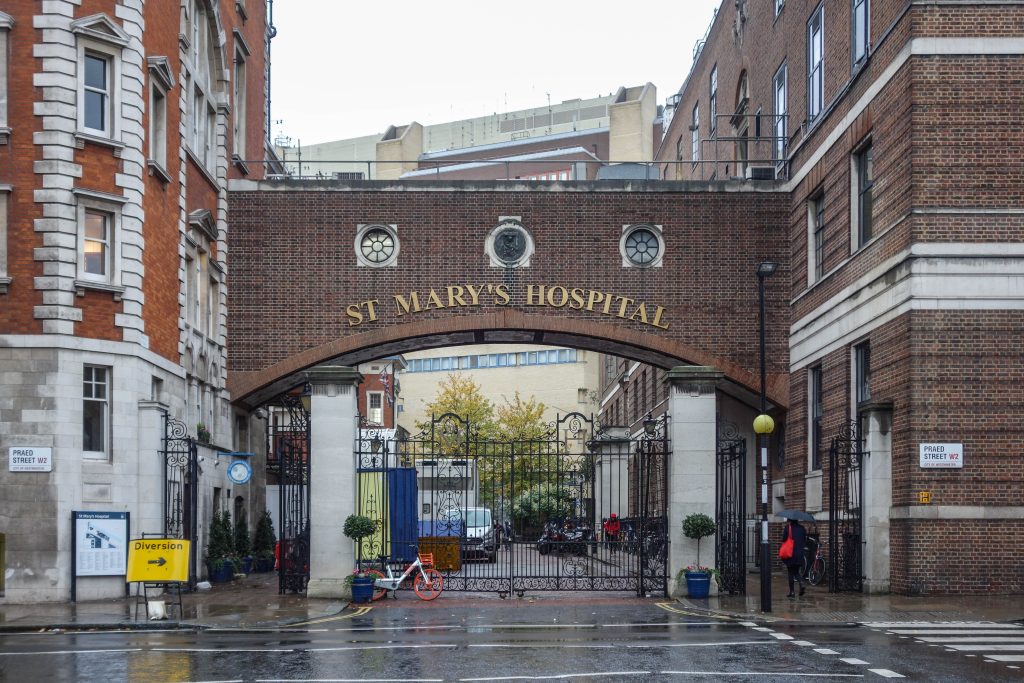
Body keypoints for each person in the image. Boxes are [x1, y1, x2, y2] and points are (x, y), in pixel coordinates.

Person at [781, 519, 808, 598]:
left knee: (791, 572)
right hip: (800, 553)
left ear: (790, 520)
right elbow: (804, 539)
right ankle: (801, 583)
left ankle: (792, 592)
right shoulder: (802, 528)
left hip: (790, 553)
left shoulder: (787, 528)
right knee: (796, 571)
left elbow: (783, 539)